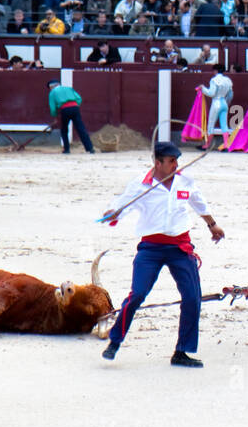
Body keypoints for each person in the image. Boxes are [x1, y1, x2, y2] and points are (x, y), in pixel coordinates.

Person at [99, 142, 226, 367]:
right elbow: (121, 206)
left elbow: (198, 202)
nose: (177, 165)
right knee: (137, 294)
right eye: (171, 161)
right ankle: (115, 341)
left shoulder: (184, 180)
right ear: (158, 163)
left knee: (192, 297)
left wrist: (212, 225)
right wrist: (112, 213)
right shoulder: (141, 185)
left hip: (180, 246)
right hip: (151, 248)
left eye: (177, 160)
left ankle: (182, 351)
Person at [47, 79, 95, 154]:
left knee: (64, 129)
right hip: (75, 108)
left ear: (51, 87)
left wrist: (55, 115)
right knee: (81, 128)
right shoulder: (68, 88)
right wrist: (75, 106)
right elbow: (79, 98)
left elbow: (52, 108)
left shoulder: (52, 92)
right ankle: (90, 148)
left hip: (65, 109)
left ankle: (67, 149)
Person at [199, 63, 234, 140]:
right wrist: (227, 102)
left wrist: (203, 88)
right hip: (224, 103)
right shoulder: (227, 80)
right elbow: (230, 94)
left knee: (211, 124)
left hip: (216, 103)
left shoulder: (214, 80)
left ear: (215, 71)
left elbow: (211, 93)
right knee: (224, 125)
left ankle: (207, 145)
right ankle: (226, 145)